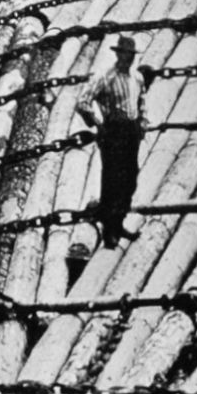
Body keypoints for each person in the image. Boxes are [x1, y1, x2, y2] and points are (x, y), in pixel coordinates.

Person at [77, 34, 146, 247]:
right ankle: (109, 231)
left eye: (131, 55)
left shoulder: (136, 77)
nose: (128, 59)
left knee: (130, 179)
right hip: (113, 130)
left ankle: (119, 221)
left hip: (131, 130)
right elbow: (83, 102)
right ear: (118, 55)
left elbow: (141, 100)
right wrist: (98, 124)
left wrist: (142, 122)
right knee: (112, 181)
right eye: (125, 54)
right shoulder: (105, 77)